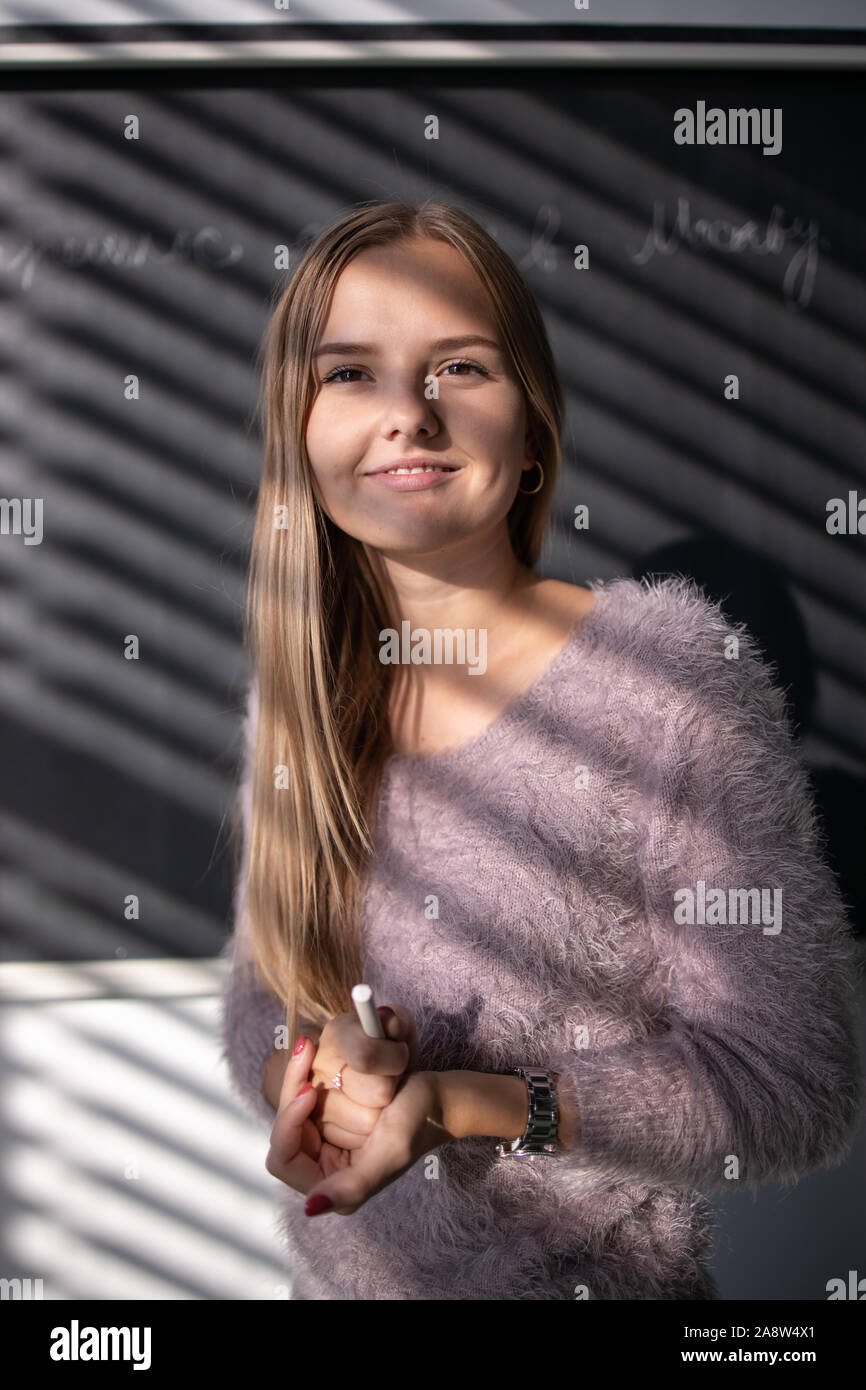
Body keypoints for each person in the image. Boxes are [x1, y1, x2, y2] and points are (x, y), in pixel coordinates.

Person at [219, 199, 862, 1300]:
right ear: (299, 436)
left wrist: (470, 1101)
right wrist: (315, 1078)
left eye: (458, 367)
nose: (408, 415)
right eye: (349, 374)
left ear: (531, 432)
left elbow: (790, 1085)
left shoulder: (664, 682)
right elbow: (257, 1008)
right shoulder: (304, 696)